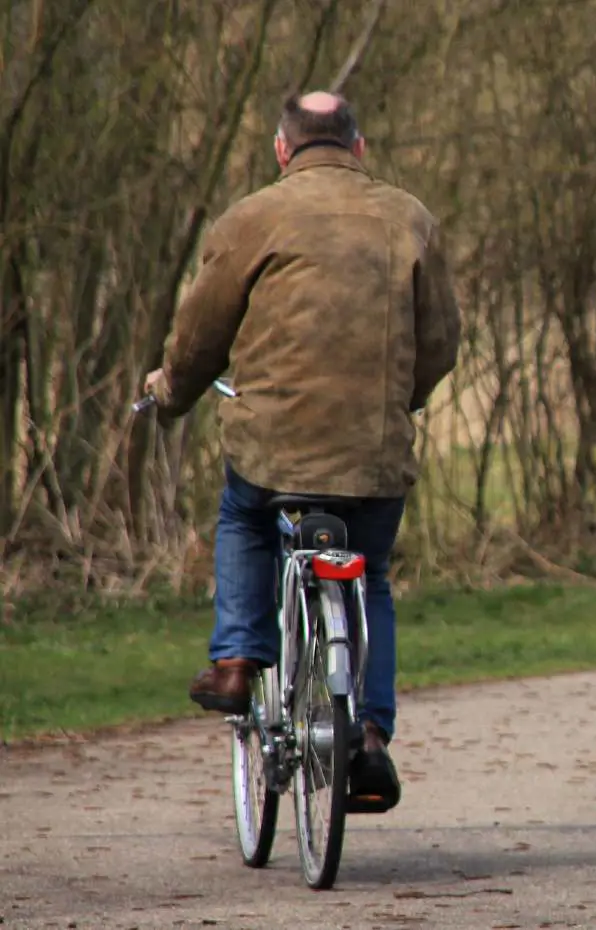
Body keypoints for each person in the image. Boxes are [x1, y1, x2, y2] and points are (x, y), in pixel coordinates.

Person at [142, 91, 461, 812]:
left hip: (272, 450)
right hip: (374, 455)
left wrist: (169, 393)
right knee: (370, 574)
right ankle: (369, 737)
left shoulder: (252, 218)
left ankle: (234, 661)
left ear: (282, 150)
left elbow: (198, 338)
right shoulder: (409, 219)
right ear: (358, 148)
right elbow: (440, 342)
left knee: (244, 517)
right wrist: (401, 399)